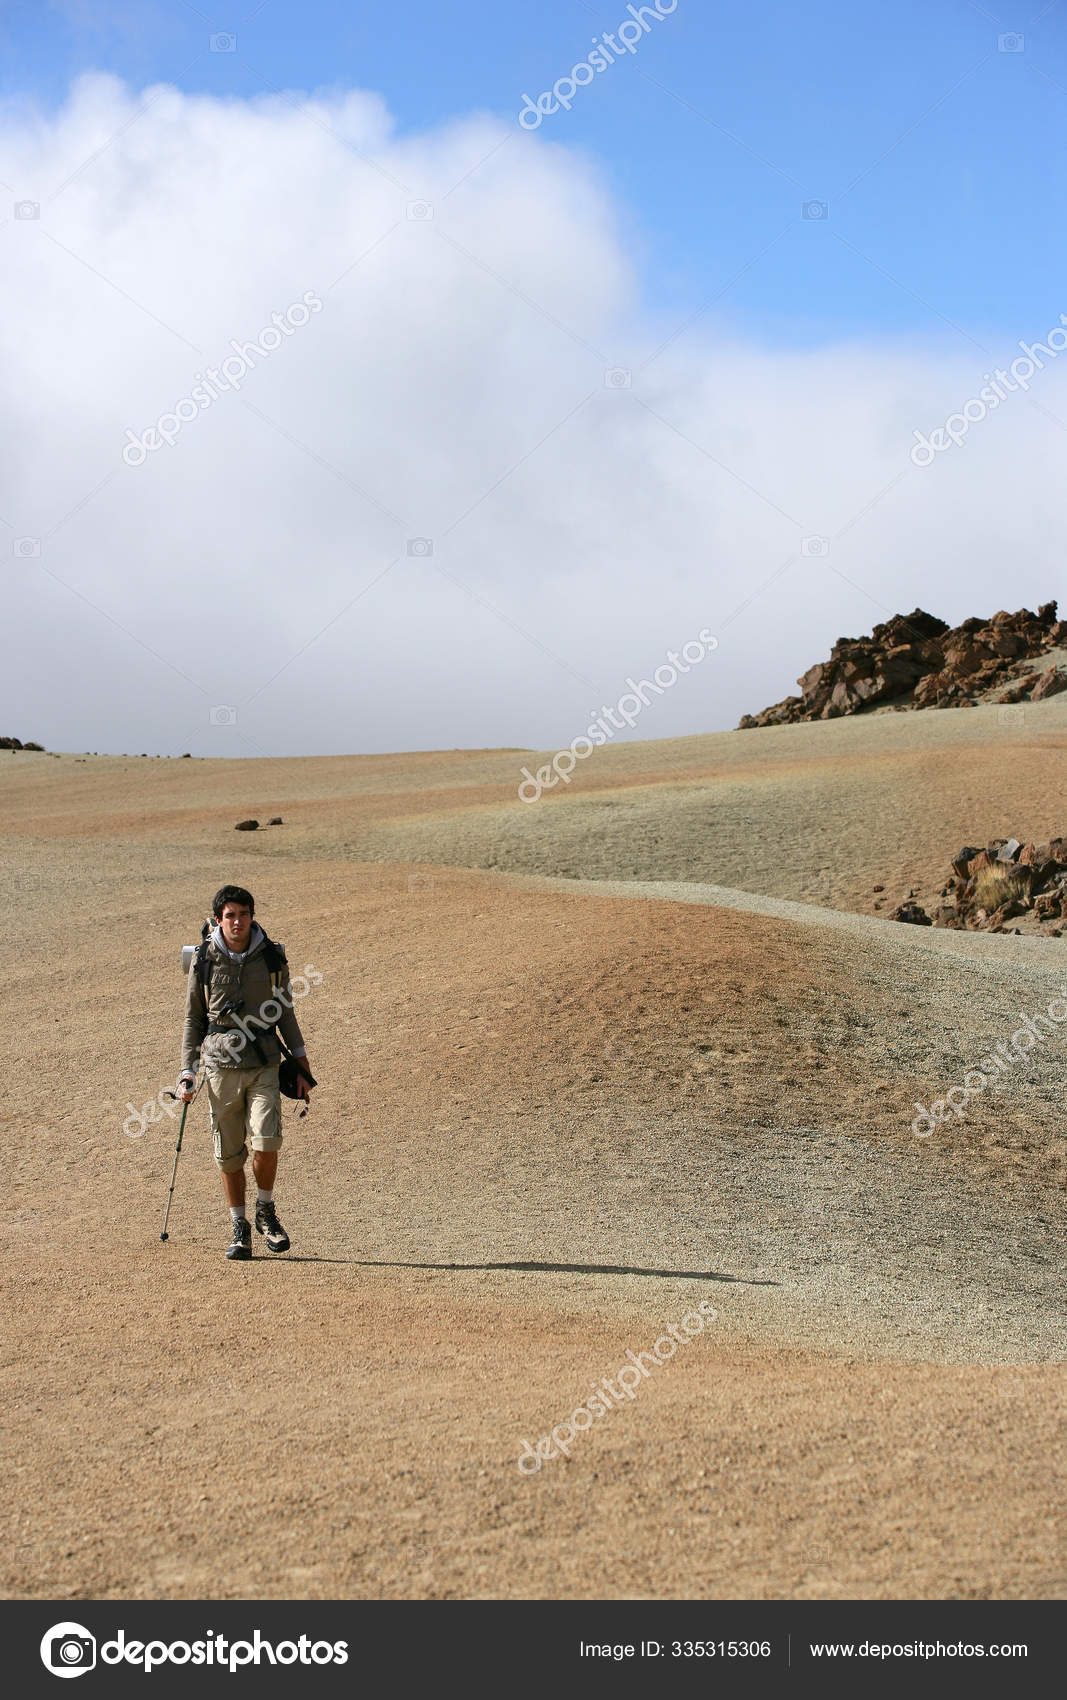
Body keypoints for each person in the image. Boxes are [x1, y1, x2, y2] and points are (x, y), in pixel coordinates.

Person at [178, 885, 314, 1260]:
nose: (238, 922)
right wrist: (186, 1071)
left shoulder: (270, 957)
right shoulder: (204, 958)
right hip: (220, 1066)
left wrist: (301, 1064)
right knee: (229, 1155)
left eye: (244, 914)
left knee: (267, 1141)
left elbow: (285, 1011)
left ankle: (265, 1211)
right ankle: (239, 1226)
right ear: (219, 920)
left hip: (265, 1062)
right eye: (230, 915)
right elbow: (193, 1018)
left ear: (253, 916)